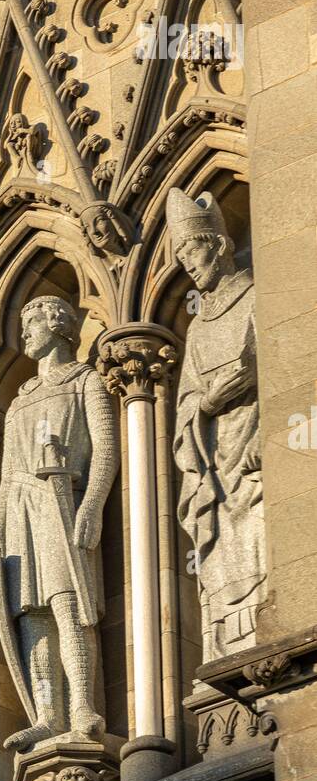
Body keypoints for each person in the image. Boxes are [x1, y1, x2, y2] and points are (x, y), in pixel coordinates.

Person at [0, 295, 118, 750]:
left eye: (32, 323)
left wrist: (93, 504)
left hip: (61, 502)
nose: (24, 336)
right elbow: (4, 481)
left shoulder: (87, 382)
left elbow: (105, 449)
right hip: (21, 509)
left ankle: (81, 703)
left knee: (69, 605)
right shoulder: (18, 402)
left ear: (59, 324)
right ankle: (47, 713)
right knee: (33, 617)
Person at [168, 187, 265, 661]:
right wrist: (207, 402)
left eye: (192, 248)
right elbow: (187, 403)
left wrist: (270, 434)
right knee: (220, 552)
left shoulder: (258, 300)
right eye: (181, 254)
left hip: (253, 454)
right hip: (215, 462)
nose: (187, 262)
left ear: (221, 245)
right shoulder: (198, 327)